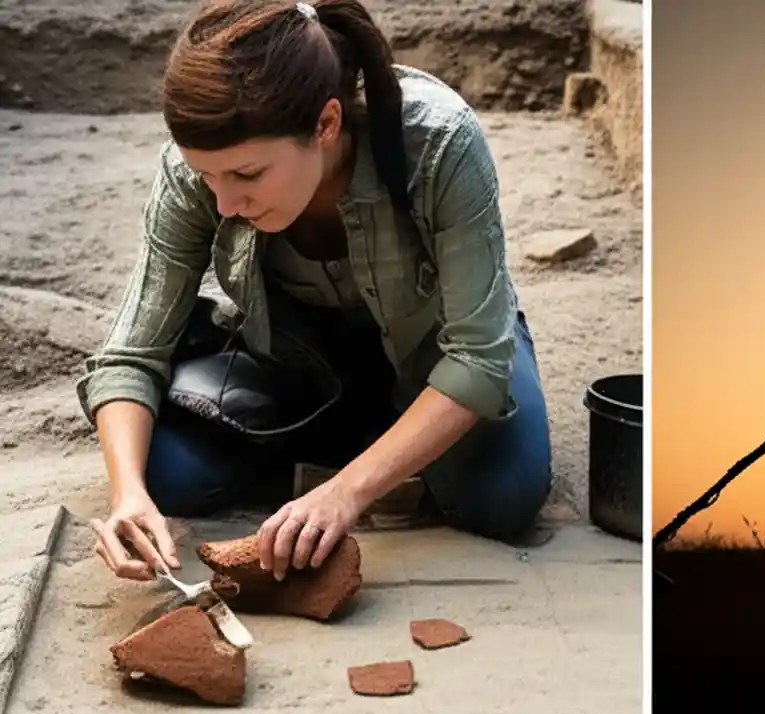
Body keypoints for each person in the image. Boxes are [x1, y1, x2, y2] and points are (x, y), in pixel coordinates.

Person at [78, 0, 552, 584]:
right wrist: (128, 496)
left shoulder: (439, 141)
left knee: (503, 498)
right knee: (165, 476)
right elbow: (130, 352)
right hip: (294, 358)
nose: (224, 204)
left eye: (248, 176)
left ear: (326, 125)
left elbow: (477, 358)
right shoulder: (205, 166)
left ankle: (364, 450)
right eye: (207, 177)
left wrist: (345, 495)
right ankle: (375, 445)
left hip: (436, 350)